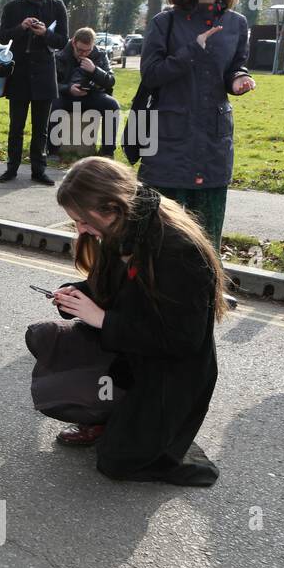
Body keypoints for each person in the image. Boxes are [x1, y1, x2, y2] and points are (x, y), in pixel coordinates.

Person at [44, 157, 226, 486]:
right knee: (46, 340)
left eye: (83, 221)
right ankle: (110, 415)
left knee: (117, 462)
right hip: (134, 352)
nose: (81, 230)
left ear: (112, 206)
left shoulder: (177, 249)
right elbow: (114, 290)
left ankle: (153, 434)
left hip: (173, 372)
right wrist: (76, 295)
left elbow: (182, 340)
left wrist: (100, 319)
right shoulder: (124, 228)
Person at [137, 0, 254, 247]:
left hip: (214, 143)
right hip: (168, 142)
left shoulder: (237, 24)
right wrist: (192, 50)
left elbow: (234, 66)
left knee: (206, 238)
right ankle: (150, 292)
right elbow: (150, 74)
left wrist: (239, 78)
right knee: (157, 234)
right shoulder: (166, 22)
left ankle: (205, 292)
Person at [0, 0, 68, 185]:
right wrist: (21, 28)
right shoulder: (13, 7)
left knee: (41, 127)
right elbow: (1, 37)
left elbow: (63, 40)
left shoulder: (57, 6)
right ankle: (12, 167)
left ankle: (39, 169)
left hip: (44, 73)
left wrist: (45, 33)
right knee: (16, 126)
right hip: (19, 74)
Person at [52, 27, 119, 158]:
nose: (84, 54)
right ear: (73, 43)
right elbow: (50, 83)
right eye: (80, 50)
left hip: (91, 95)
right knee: (53, 104)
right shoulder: (60, 55)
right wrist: (68, 88)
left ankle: (107, 152)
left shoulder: (100, 54)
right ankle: (52, 149)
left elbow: (110, 81)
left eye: (87, 50)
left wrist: (95, 70)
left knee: (112, 105)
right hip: (66, 96)